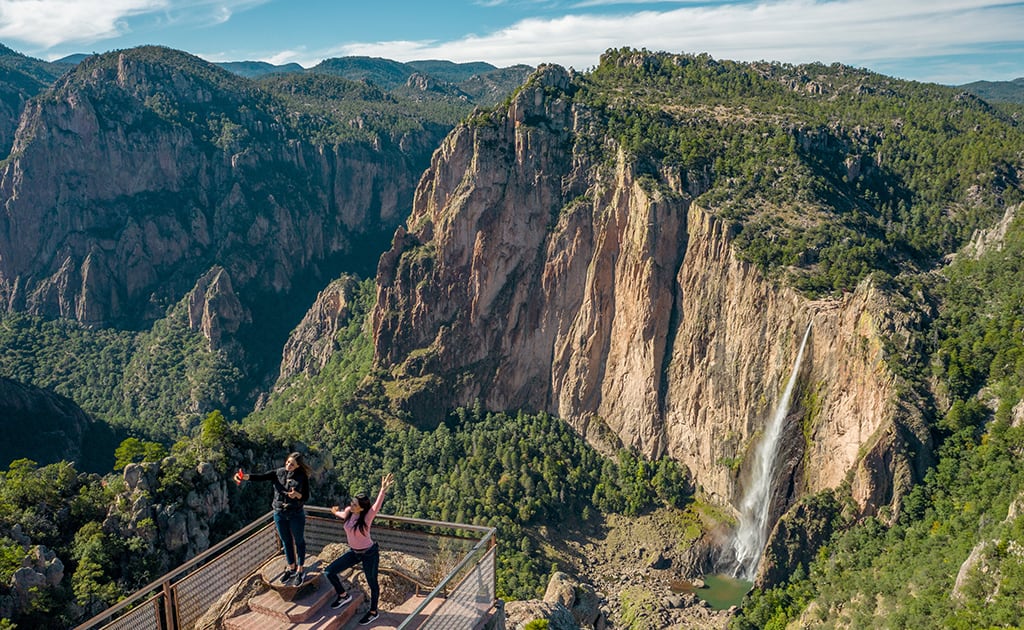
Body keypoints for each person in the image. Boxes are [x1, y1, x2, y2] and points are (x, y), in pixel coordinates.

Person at [325, 472, 395, 625]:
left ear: (362, 508)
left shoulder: (367, 517)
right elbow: (343, 515)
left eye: (355, 504)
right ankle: (343, 595)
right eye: (353, 502)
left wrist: (383, 489)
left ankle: (373, 611)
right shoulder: (350, 512)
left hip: (369, 553)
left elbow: (376, 506)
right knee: (329, 571)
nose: (352, 505)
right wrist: (334, 511)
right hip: (354, 553)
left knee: (372, 583)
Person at [241, 452, 311, 586]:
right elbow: (262, 477)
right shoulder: (278, 473)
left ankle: (300, 570)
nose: (288, 465)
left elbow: (306, 497)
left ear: (297, 466)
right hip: (279, 513)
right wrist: (245, 477)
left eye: (292, 464)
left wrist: (297, 495)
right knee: (286, 541)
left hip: (295, 513)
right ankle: (291, 567)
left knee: (299, 541)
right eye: (288, 462)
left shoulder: (302, 477)